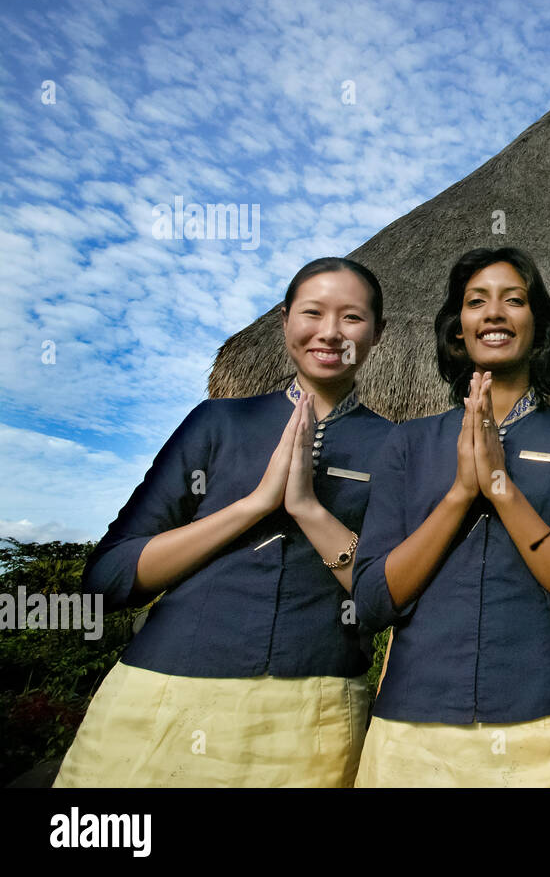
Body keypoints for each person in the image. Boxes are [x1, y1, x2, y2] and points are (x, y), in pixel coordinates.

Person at [55, 257, 392, 787]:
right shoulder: (217, 421)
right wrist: (254, 504)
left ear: (377, 333)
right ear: (284, 322)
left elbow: (387, 594)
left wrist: (309, 508)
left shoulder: (398, 448)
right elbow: (109, 578)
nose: (330, 332)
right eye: (312, 312)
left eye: (351, 318)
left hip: (313, 715)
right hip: (161, 697)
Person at [351, 246, 550, 787]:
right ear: (458, 328)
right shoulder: (409, 443)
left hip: (537, 729)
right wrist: (460, 495)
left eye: (513, 300)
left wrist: (501, 489)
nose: (494, 313)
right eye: (476, 302)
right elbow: (373, 600)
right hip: (409, 729)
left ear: (535, 323)